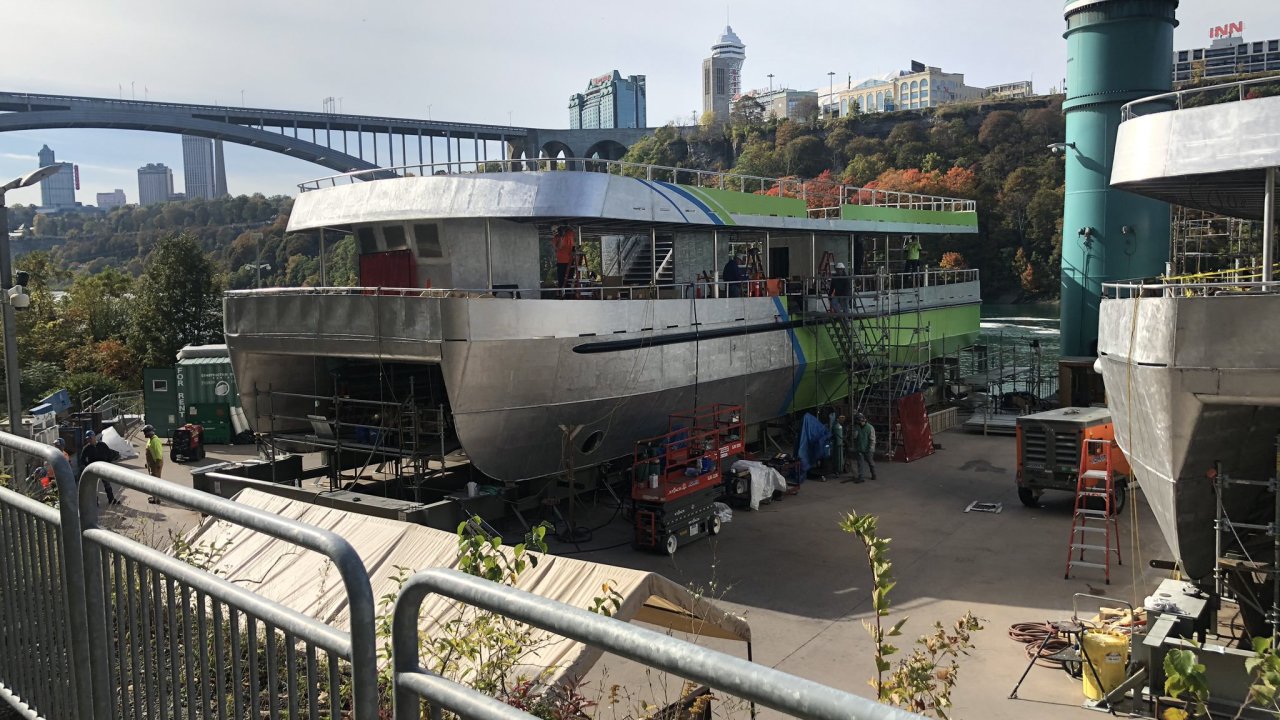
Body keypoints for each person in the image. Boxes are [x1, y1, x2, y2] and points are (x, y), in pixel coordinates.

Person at [79, 429, 122, 505]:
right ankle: (95, 502)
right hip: (93, 470)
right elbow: (82, 460)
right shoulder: (86, 448)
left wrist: (108, 464)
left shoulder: (102, 445)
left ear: (94, 437)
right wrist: (87, 466)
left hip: (103, 468)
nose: (89, 440)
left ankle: (111, 500)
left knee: (107, 484)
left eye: (90, 438)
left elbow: (109, 454)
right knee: (93, 486)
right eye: (87, 439)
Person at [847, 413, 877, 484]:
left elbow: (872, 440)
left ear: (862, 420)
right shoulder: (857, 427)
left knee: (870, 462)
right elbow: (854, 437)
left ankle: (873, 474)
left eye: (858, 421)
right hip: (859, 448)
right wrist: (854, 433)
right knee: (860, 463)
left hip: (868, 449)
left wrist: (871, 449)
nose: (857, 423)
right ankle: (861, 477)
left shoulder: (870, 428)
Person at [142, 424, 164, 505]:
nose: (144, 434)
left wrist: (157, 465)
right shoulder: (150, 440)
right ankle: (155, 497)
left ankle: (157, 499)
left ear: (150, 432)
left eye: (145, 432)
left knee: (155, 482)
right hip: (152, 464)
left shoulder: (155, 440)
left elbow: (158, 454)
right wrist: (147, 463)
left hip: (156, 464)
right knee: (152, 481)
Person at [552, 225, 576, 293]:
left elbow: (573, 230)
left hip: (570, 261)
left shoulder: (569, 234)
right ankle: (561, 294)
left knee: (569, 279)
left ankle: (569, 294)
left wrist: (567, 226)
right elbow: (558, 247)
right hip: (561, 262)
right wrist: (561, 237)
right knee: (562, 280)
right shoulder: (556, 238)